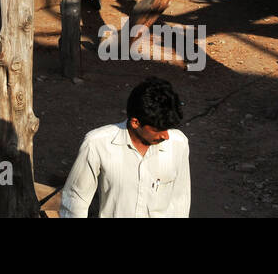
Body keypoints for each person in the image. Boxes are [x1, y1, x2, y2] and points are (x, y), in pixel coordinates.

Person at [60, 76, 190, 218]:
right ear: (135, 122)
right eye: (158, 129)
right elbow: (75, 200)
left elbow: (180, 199)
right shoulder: (97, 144)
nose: (166, 136)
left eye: (168, 128)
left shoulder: (178, 144)